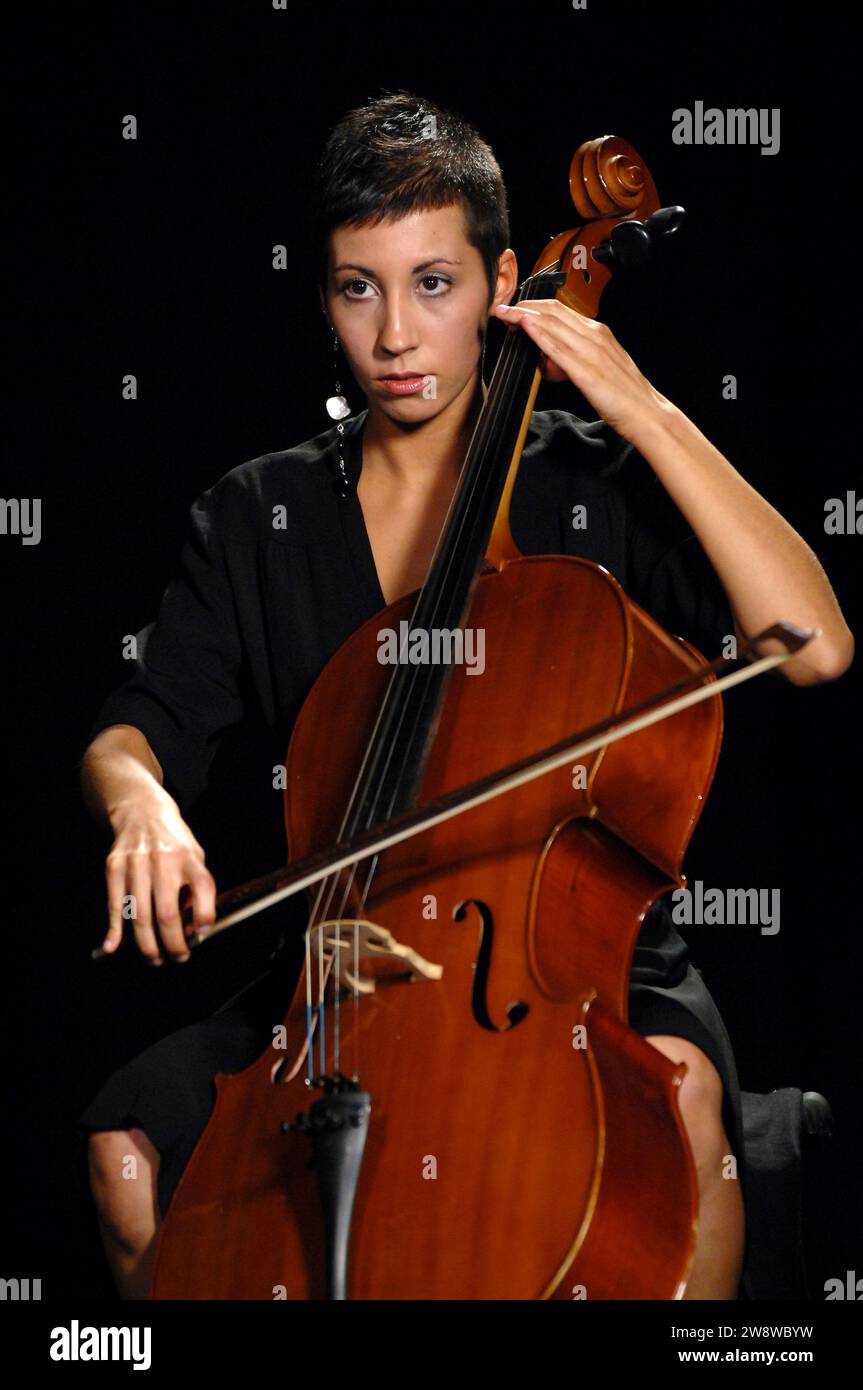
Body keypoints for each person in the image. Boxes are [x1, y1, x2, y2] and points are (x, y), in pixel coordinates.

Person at [77, 90, 853, 1302]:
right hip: (329, 966)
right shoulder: (254, 514)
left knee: (676, 1100)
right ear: (323, 295)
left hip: (571, 962)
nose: (394, 335)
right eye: (356, 288)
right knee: (125, 1153)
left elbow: (812, 646)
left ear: (502, 281)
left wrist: (638, 405)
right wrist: (141, 805)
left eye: (432, 285)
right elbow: (137, 729)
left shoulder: (595, 486)